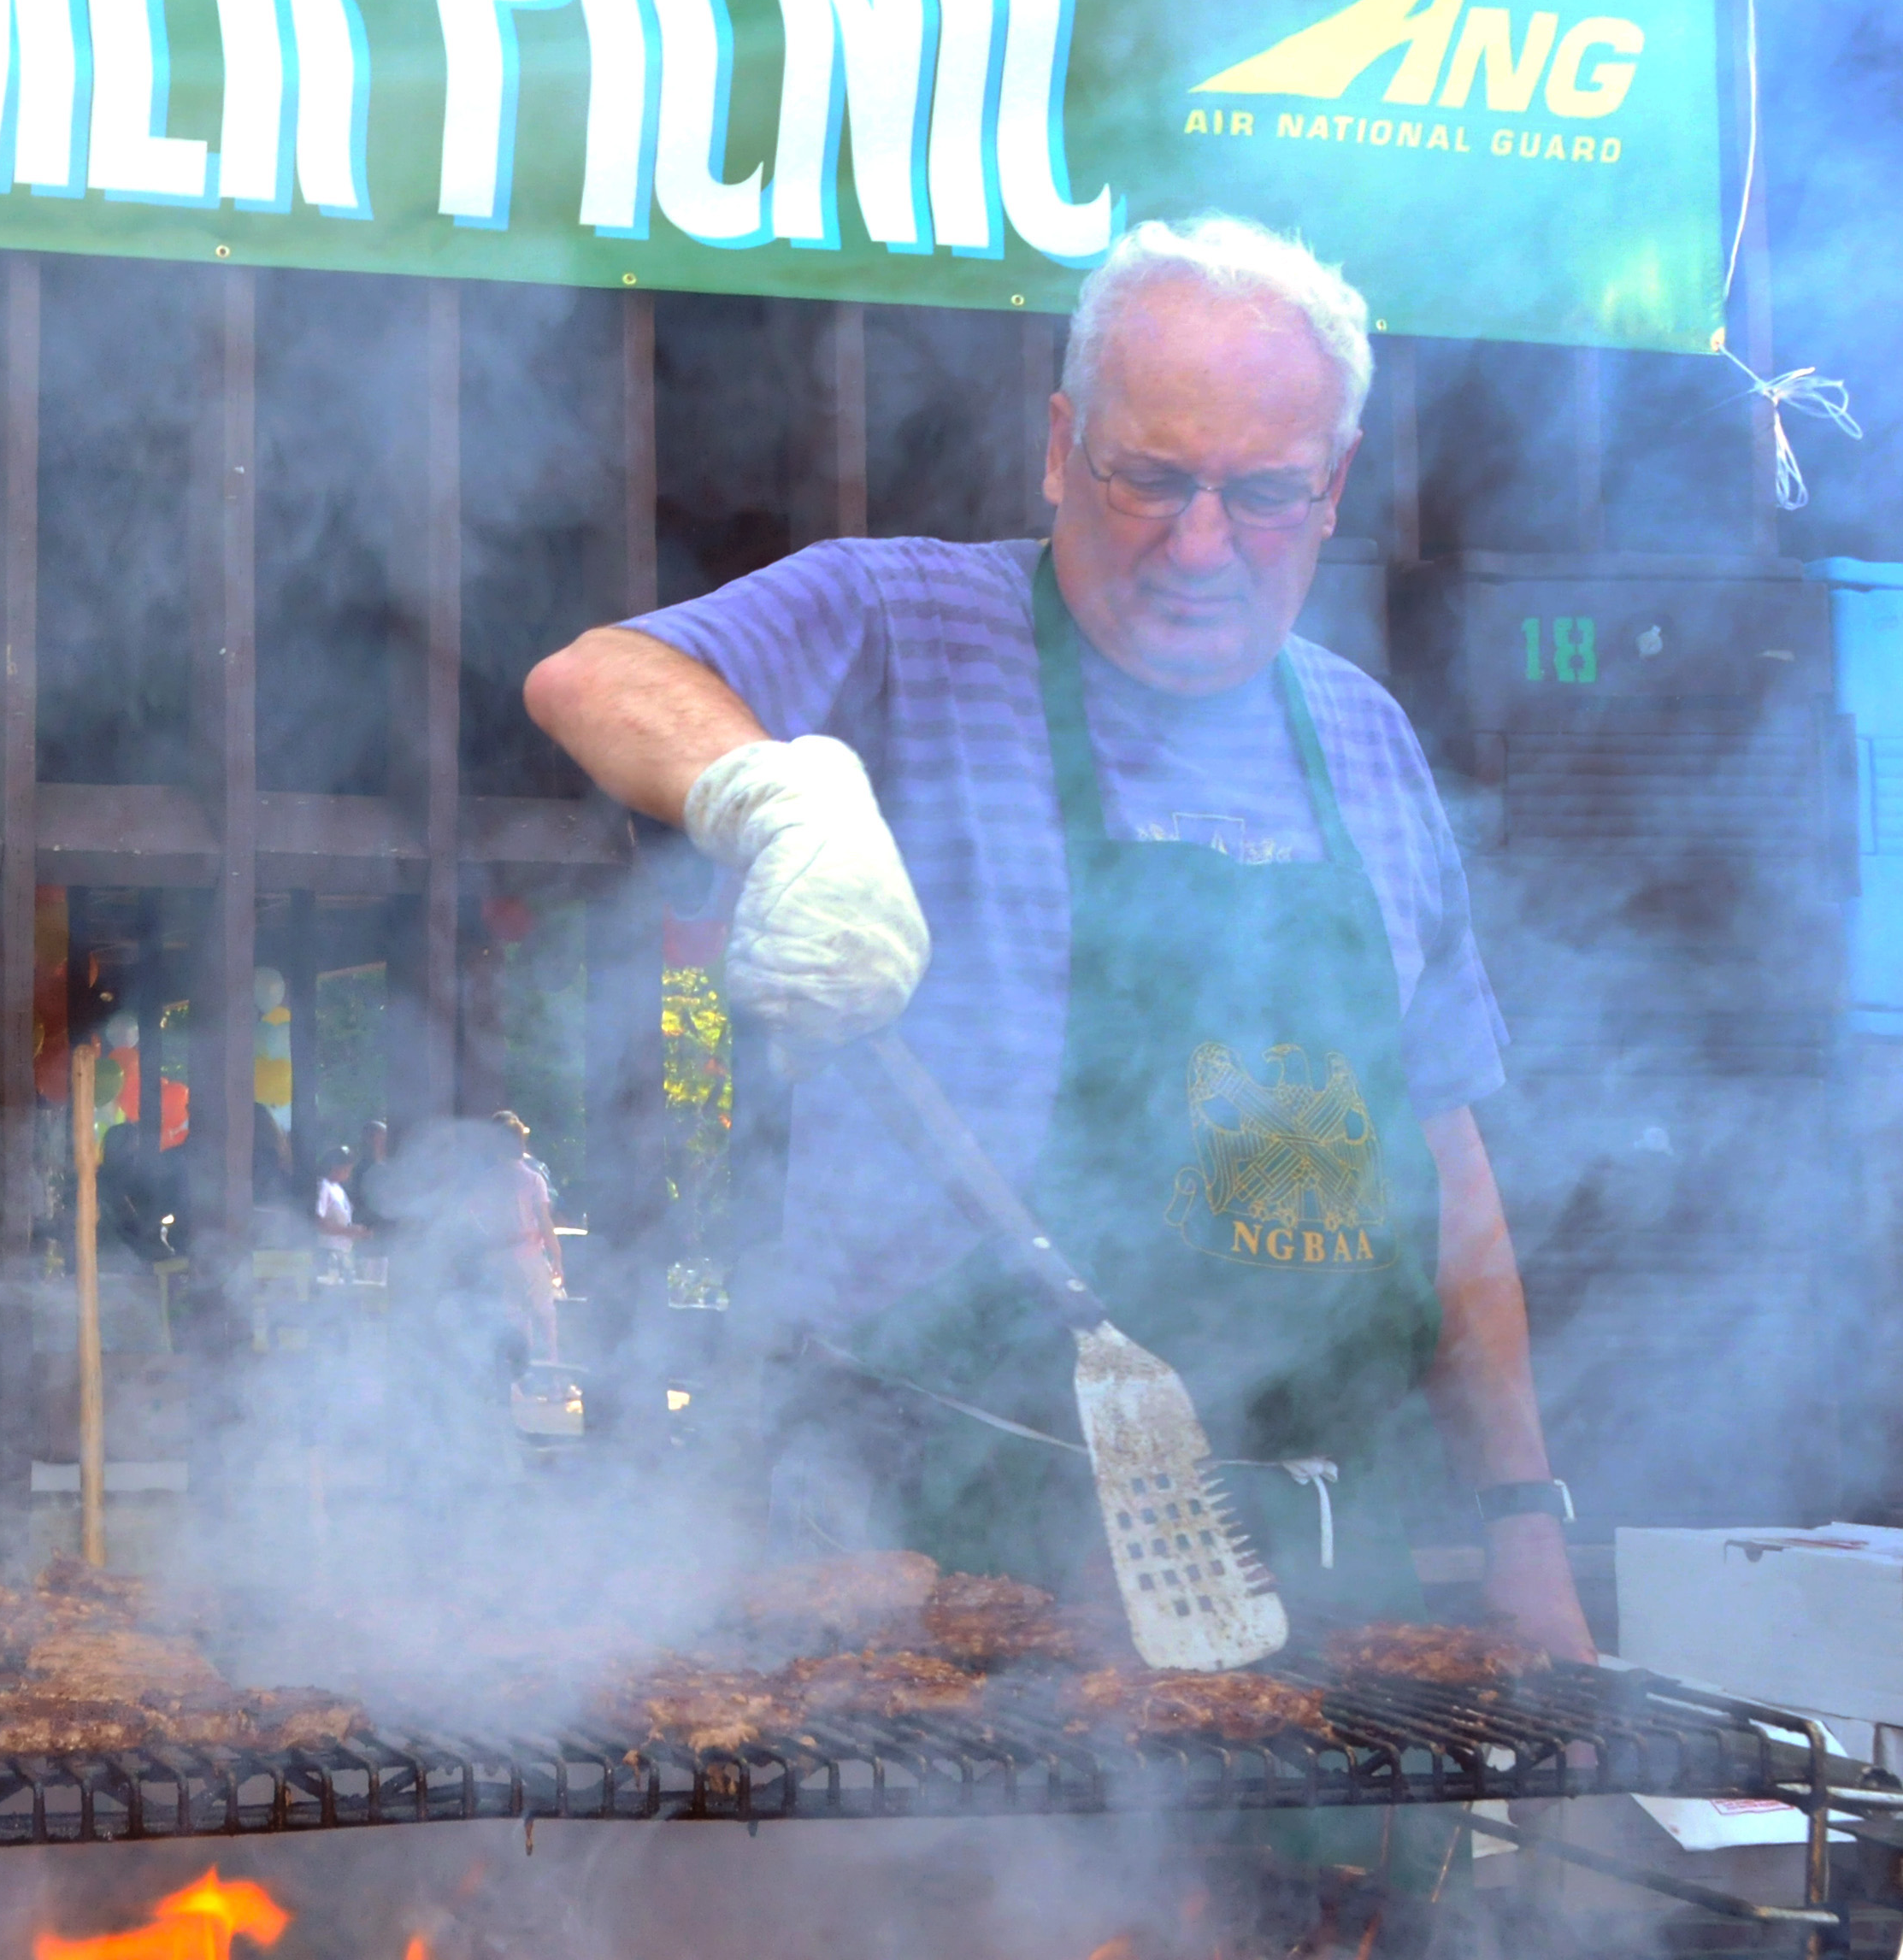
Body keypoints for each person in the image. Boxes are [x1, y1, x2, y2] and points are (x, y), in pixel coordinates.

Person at [523, 214, 1591, 1661]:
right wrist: (764, 790)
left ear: (1332, 484)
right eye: (1148, 476)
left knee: (1333, 1897)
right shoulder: (902, 624)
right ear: (1057, 445)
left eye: (1263, 492)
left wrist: (1523, 1524)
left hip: (1328, 1561)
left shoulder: (1364, 739)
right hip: (948, 1548)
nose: (1199, 542)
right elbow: (595, 678)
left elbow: (1451, 1176)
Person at [492, 1113, 563, 1367]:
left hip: (501, 1256)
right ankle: (553, 1377)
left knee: (513, 1317)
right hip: (530, 1255)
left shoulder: (489, 1180)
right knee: (545, 1315)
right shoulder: (533, 1178)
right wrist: (557, 1255)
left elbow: (472, 1214)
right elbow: (544, 1221)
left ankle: (516, 1383)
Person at [311, 1148, 366, 1275]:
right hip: (327, 1253)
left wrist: (357, 1232)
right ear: (334, 1167)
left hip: (343, 1251)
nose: (348, 1173)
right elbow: (319, 1223)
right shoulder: (323, 1186)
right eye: (346, 1169)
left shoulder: (339, 1189)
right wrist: (348, 1231)